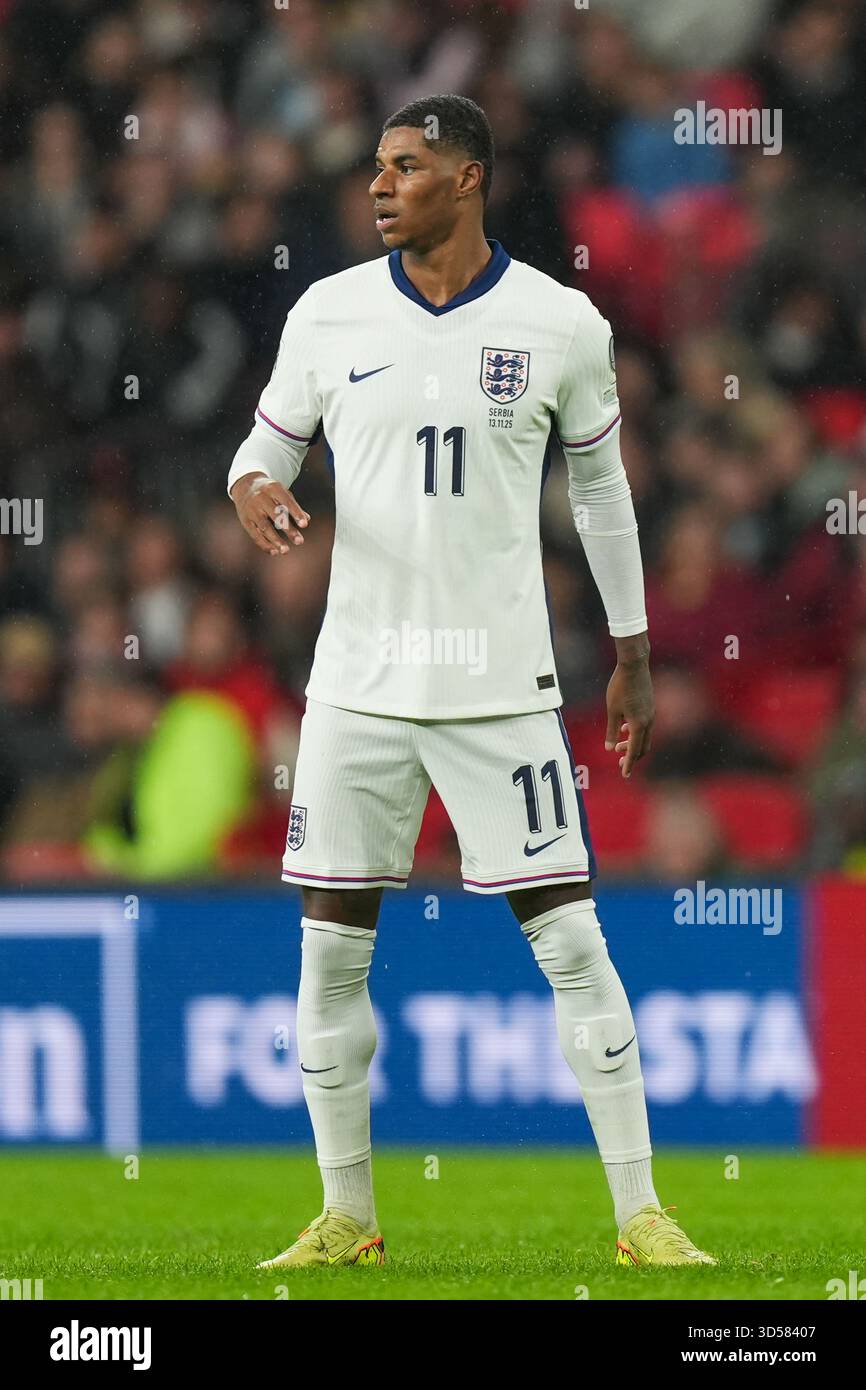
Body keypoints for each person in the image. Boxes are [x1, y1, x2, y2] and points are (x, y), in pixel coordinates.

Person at [228, 94, 714, 1270]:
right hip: (356, 684)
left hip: (502, 685)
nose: (379, 186)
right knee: (330, 950)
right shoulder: (327, 311)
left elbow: (600, 494)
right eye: (374, 167)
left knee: (571, 942)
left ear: (470, 177)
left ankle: (640, 1215)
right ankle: (346, 1214)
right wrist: (254, 490)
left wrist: (634, 651)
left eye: (404, 166)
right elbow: (261, 452)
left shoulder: (559, 323)